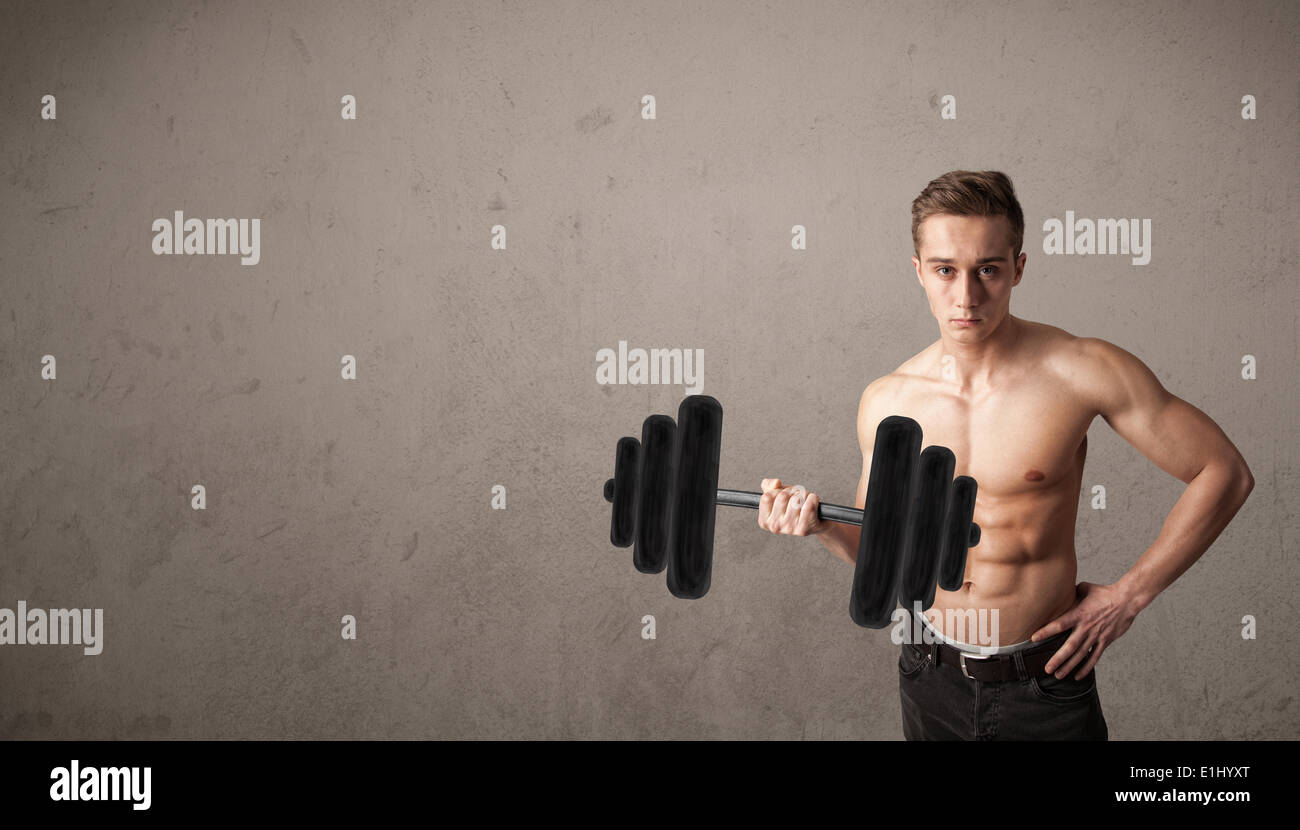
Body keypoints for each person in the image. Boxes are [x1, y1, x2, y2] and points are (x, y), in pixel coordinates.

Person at [757, 170, 1254, 740]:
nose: (966, 296)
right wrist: (818, 524)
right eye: (945, 270)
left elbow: (1225, 472)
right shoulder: (888, 401)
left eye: (987, 270)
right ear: (918, 271)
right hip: (928, 672)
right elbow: (883, 554)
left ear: (1018, 267)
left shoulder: (1081, 369)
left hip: (1041, 680)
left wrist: (1130, 596)